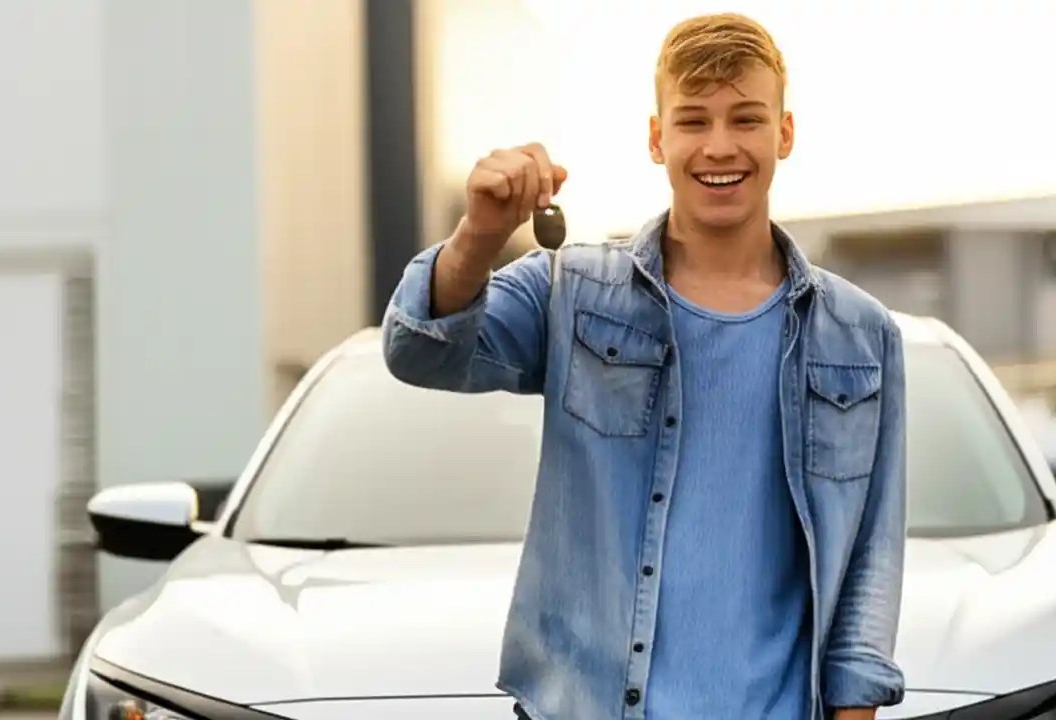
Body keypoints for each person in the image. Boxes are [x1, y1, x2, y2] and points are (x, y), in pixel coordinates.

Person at [382, 12, 907, 720]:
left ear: (784, 132)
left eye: (745, 119)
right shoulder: (570, 291)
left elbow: (870, 559)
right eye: (693, 121)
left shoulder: (861, 336)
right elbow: (418, 351)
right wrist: (478, 235)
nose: (720, 146)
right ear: (658, 138)